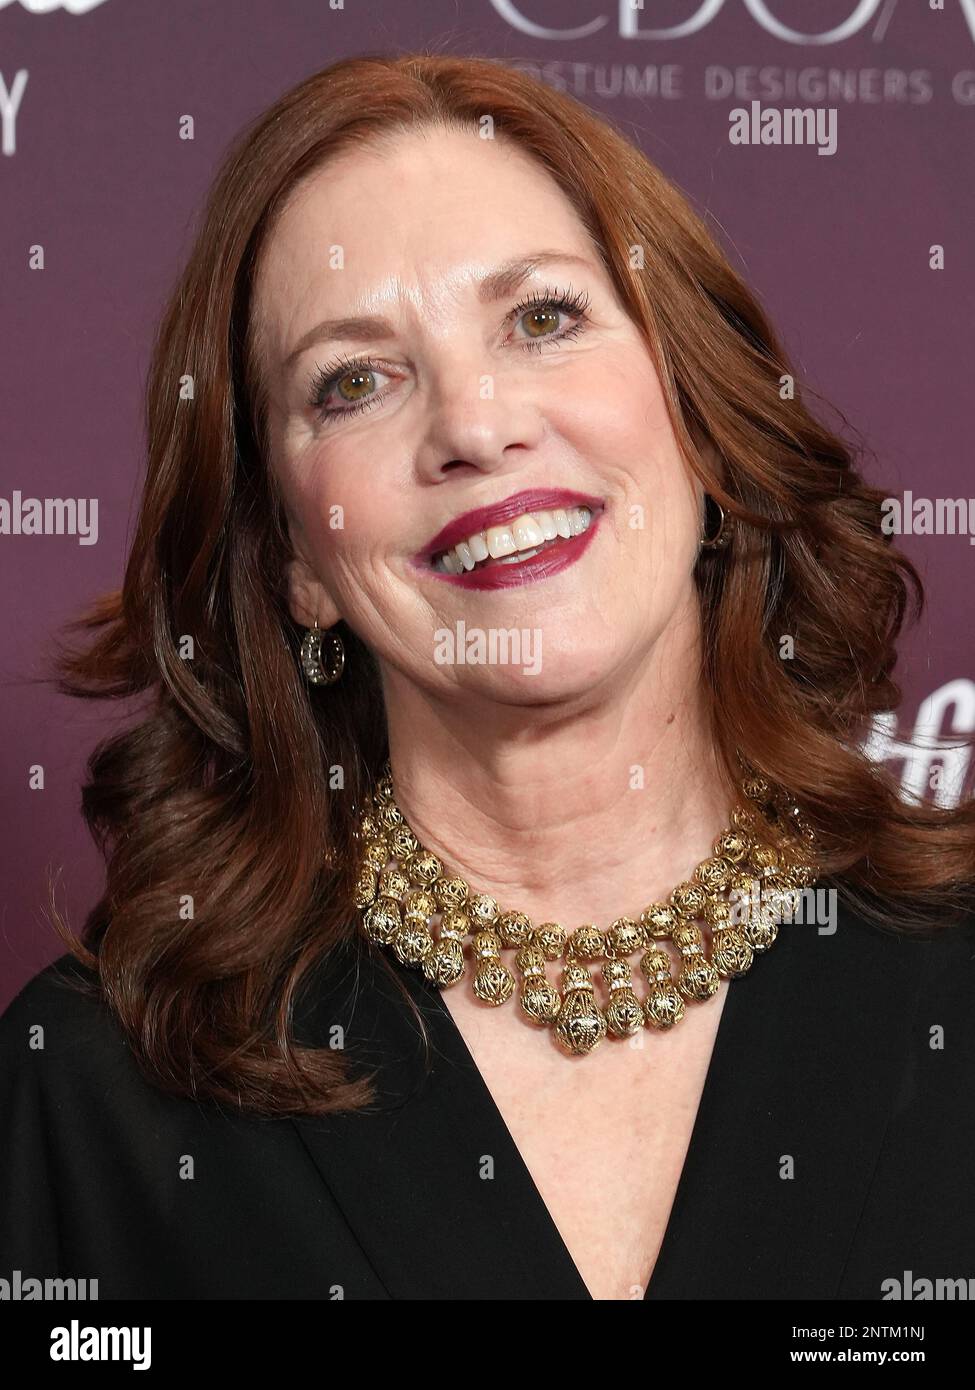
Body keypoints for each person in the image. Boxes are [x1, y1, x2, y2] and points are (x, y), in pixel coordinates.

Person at [1, 53, 973, 1303]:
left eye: (543, 318)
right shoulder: (98, 1095)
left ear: (697, 409)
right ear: (297, 558)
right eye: (355, 381)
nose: (472, 422)